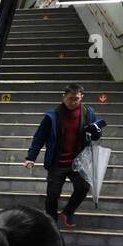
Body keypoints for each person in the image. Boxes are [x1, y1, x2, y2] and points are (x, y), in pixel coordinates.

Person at [22, 83, 103, 229]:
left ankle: (68, 211)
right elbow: (39, 137)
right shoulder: (52, 117)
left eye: (76, 99)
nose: (73, 102)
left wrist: (96, 130)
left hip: (78, 162)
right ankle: (50, 221)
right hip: (57, 162)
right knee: (52, 195)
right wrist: (31, 157)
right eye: (70, 98)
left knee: (83, 187)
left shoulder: (88, 113)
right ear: (64, 97)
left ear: (81, 97)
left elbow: (95, 136)